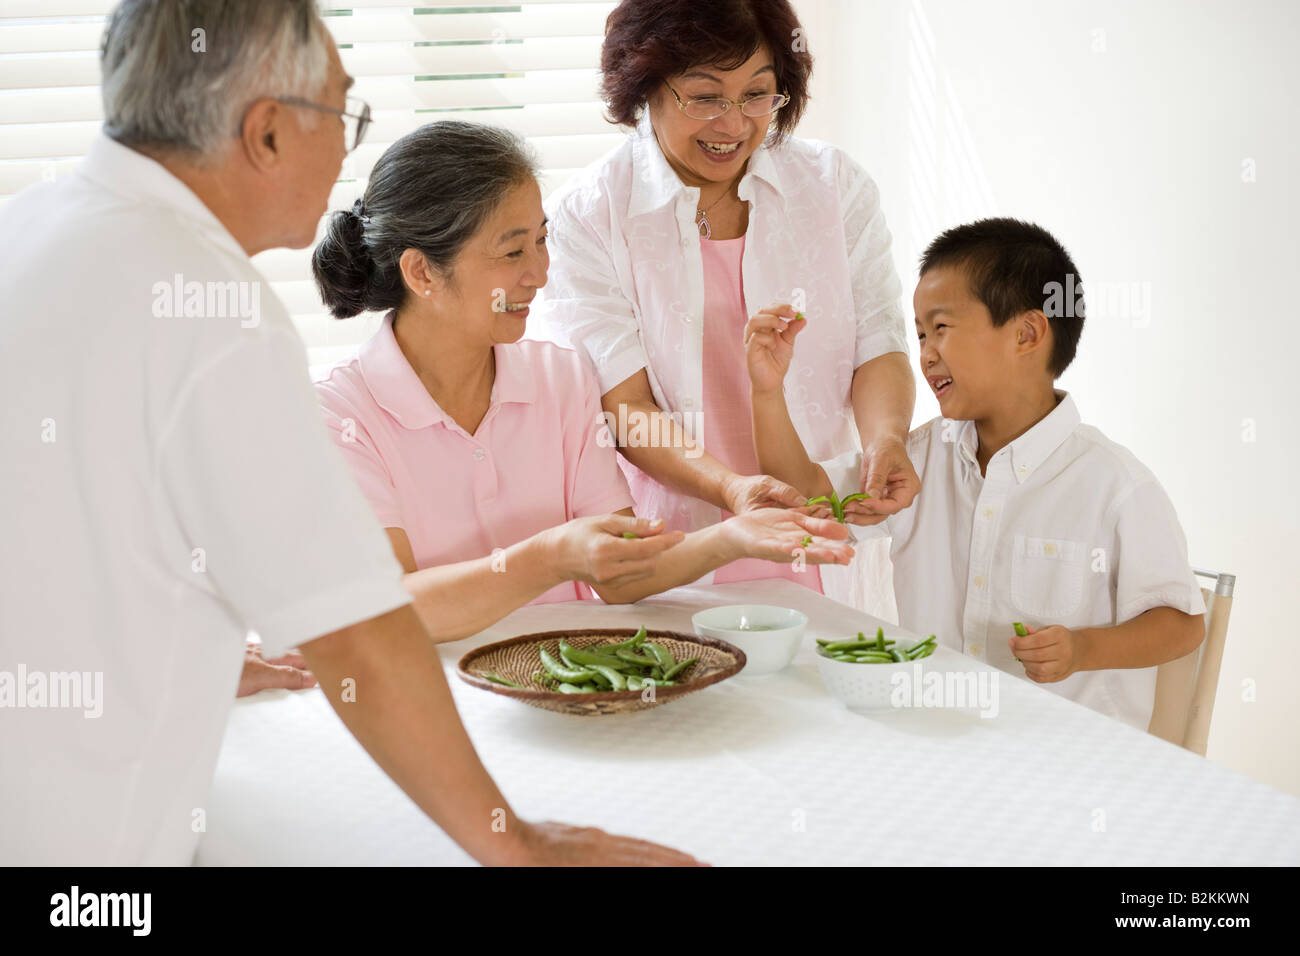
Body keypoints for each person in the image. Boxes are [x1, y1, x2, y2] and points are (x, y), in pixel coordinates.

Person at [0, 0, 698, 866]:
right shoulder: (210, 313)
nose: (345, 152)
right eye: (342, 114)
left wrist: (195, 648)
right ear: (265, 133)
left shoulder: (28, 228)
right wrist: (511, 842)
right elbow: (359, 630)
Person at [310, 122, 855, 640]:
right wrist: (550, 556)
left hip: (556, 696)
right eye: (512, 251)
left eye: (542, 241)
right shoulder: (341, 413)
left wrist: (730, 537)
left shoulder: (560, 377)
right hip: (429, 700)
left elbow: (619, 574)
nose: (540, 272)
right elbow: (394, 607)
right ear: (422, 272)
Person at [744, 218, 1207, 730]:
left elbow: (1182, 625)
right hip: (941, 736)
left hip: (1068, 762)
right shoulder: (917, 459)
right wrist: (767, 391)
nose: (925, 354)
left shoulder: (1116, 486)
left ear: (1027, 333)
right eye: (919, 334)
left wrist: (1083, 649)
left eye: (941, 328)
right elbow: (802, 492)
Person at [533, 0, 920, 610]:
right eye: (705, 97)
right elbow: (625, 405)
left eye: (757, 95)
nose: (733, 124)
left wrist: (886, 441)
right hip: (682, 554)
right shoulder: (588, 214)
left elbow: (879, 340)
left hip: (820, 539)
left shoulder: (832, 187)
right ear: (645, 88)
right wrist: (733, 489)